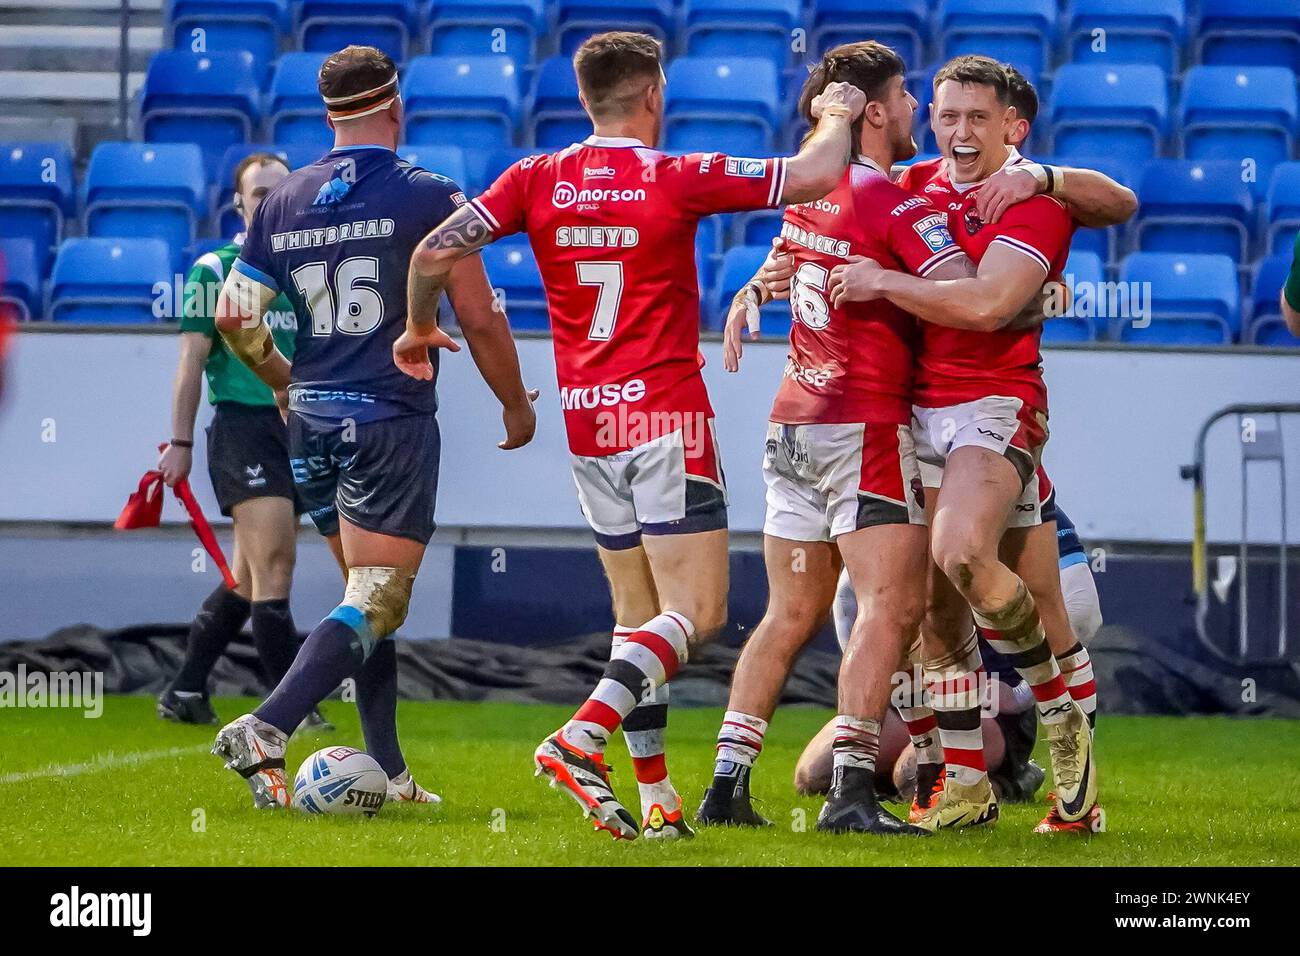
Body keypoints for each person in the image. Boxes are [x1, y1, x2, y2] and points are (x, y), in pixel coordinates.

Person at [400, 30, 866, 840]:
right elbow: (818, 175)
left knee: (637, 619)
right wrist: (832, 112)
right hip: (665, 415)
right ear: (653, 94)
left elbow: (434, 251)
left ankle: (657, 802)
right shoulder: (674, 175)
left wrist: (414, 328)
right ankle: (581, 737)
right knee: (701, 611)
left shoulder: (534, 177)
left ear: (583, 99)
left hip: (587, 422)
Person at [209, 45, 537, 810]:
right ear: (397, 106)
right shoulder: (428, 194)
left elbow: (235, 316)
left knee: (365, 599)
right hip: (387, 417)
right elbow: (480, 314)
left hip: (311, 420)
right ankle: (268, 725)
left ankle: (387, 772)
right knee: (382, 597)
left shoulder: (284, 198)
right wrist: (516, 404)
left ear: (328, 117)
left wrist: (284, 381)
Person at [696, 41, 968, 837]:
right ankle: (852, 789)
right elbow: (967, 294)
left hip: (792, 424)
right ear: (876, 111)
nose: (919, 108)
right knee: (895, 602)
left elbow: (784, 261)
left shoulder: (810, 195)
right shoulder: (891, 204)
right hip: (862, 424)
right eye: (910, 95)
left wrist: (749, 289)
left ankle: (725, 786)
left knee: (788, 615)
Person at [155, 153, 325, 730]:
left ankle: (184, 690)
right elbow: (190, 363)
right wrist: (178, 441)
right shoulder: (213, 268)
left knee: (248, 577)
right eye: (259, 195)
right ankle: (291, 706)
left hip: (298, 425)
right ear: (239, 203)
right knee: (276, 565)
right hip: (243, 429)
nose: (270, 204)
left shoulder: (306, 266)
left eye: (280, 194)